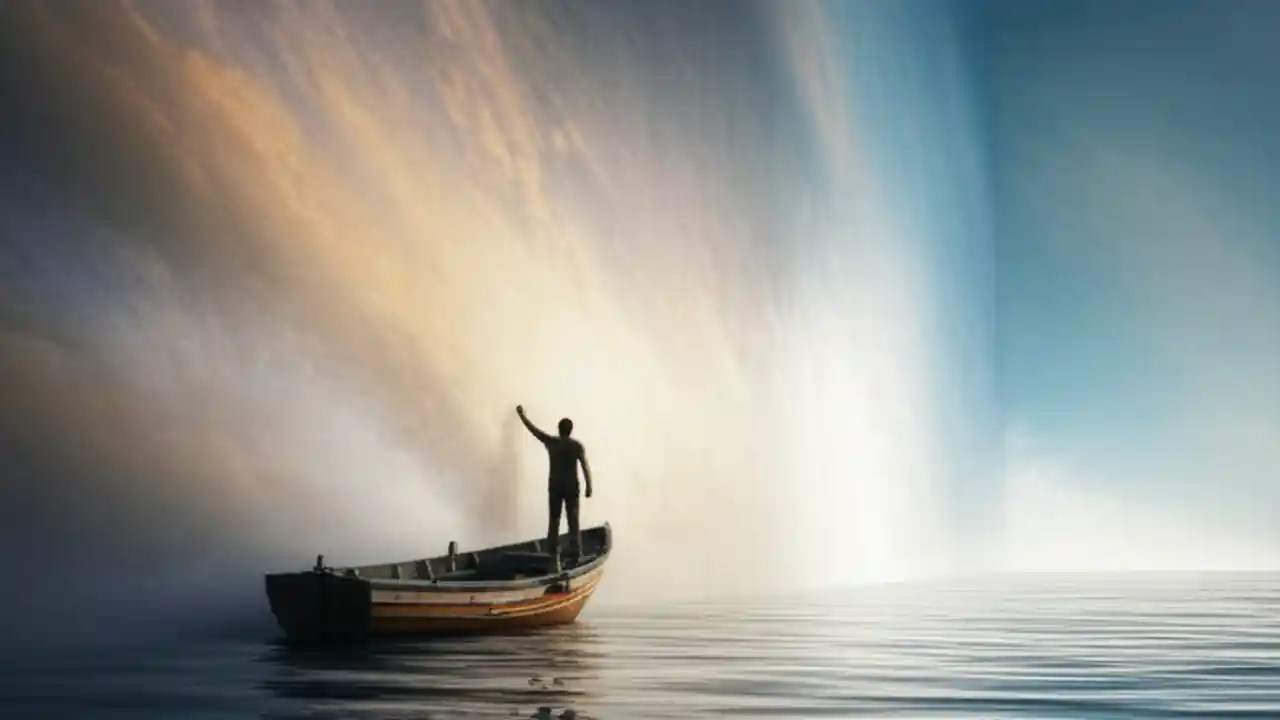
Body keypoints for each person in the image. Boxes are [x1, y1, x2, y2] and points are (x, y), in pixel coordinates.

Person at [517, 404, 592, 560]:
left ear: (559, 429)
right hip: (571, 487)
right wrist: (589, 486)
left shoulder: (552, 443)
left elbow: (534, 430)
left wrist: (522, 415)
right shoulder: (576, 446)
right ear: (570, 430)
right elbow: (585, 466)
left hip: (555, 486)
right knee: (573, 519)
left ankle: (552, 550)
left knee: (554, 519)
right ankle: (575, 550)